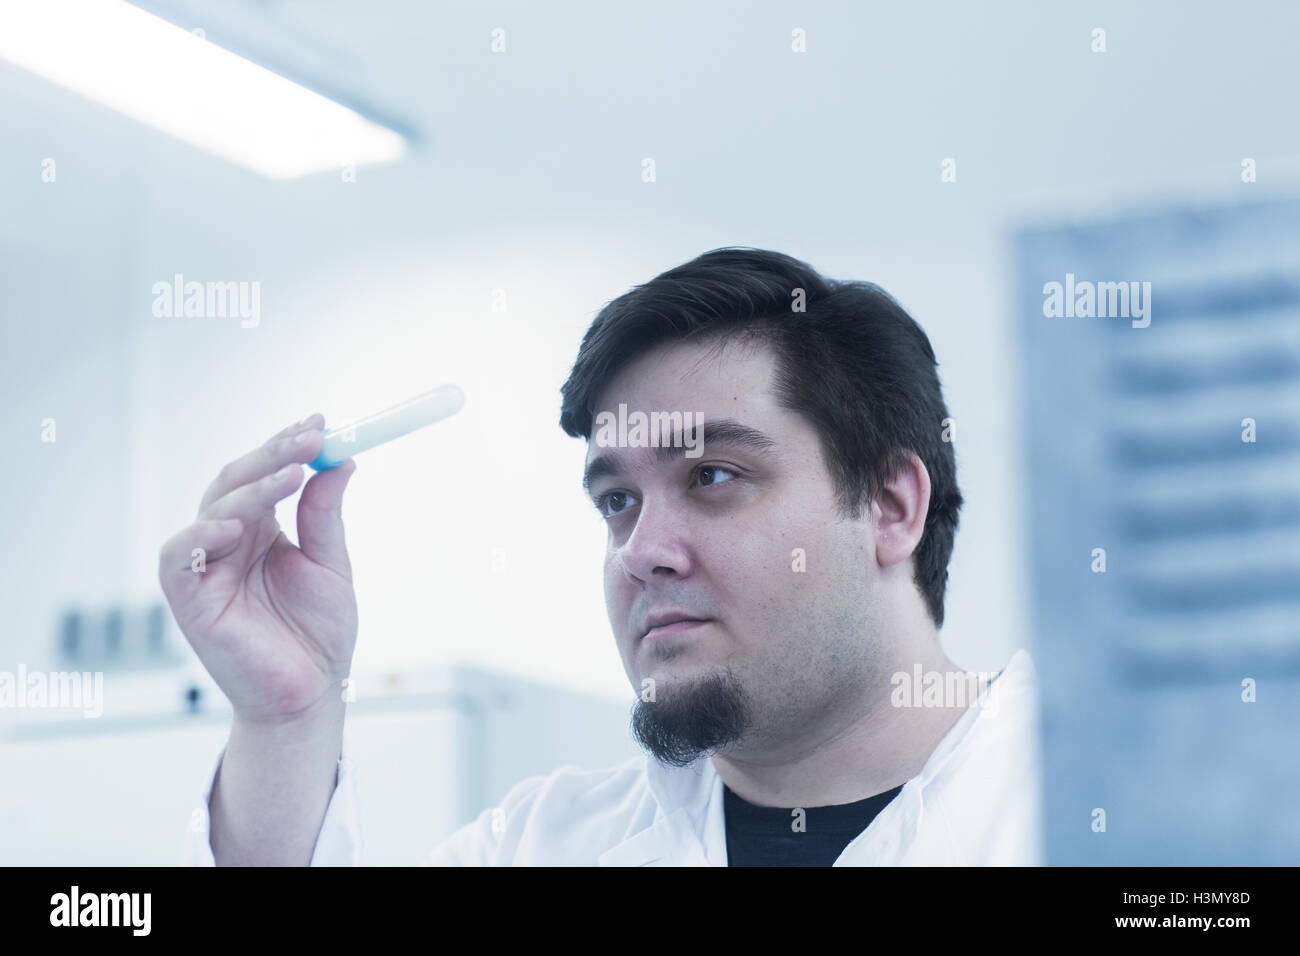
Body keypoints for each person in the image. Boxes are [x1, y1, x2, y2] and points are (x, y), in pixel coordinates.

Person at [164, 247, 1042, 866]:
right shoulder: (540, 845)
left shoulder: (1078, 813)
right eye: (618, 501)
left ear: (890, 507)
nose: (642, 553)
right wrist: (286, 720)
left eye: (712, 475)